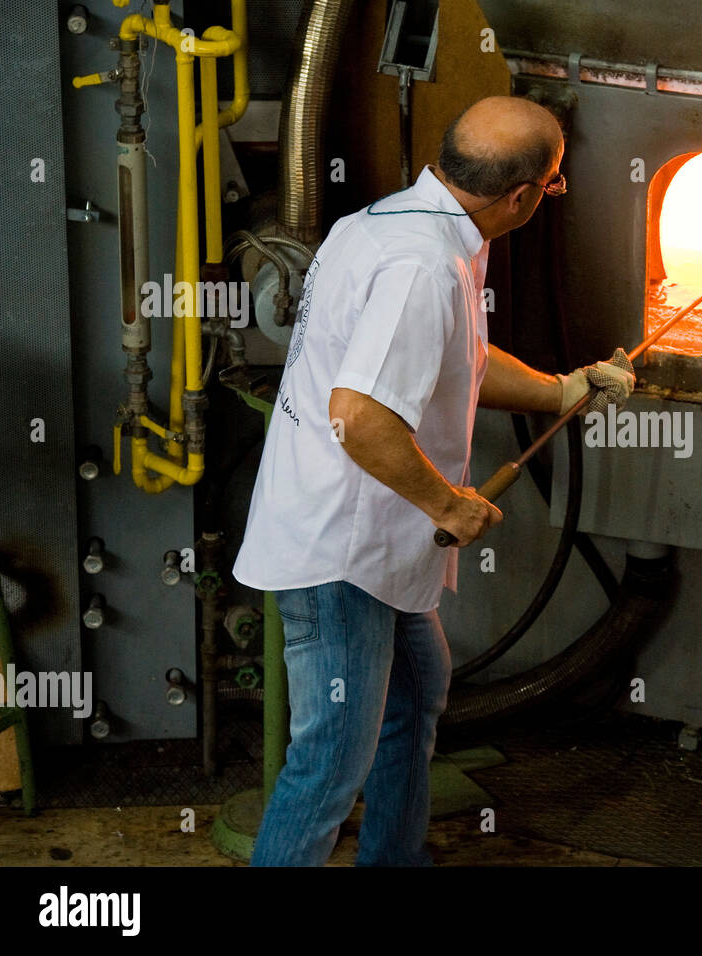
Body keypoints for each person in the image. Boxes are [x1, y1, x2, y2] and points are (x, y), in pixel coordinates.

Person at [232, 95, 635, 866]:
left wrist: (563, 388)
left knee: (414, 696)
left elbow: (461, 364)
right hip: (341, 554)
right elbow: (359, 416)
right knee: (328, 768)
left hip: (377, 545)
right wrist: (447, 502)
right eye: (550, 188)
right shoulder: (422, 265)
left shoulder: (392, 223)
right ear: (519, 196)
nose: (546, 201)